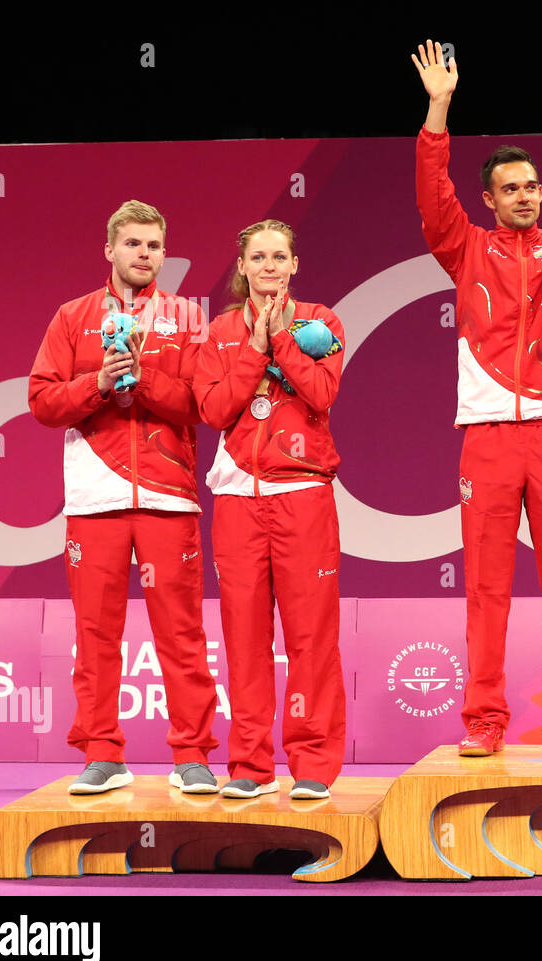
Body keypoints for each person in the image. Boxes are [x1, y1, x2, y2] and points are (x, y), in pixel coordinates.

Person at [411, 33, 542, 757]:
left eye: (533, 186)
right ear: (490, 198)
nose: (526, 196)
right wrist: (439, 109)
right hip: (489, 432)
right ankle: (484, 723)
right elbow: (431, 194)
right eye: (511, 188)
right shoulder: (464, 247)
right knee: (486, 587)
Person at [29, 200, 218, 795]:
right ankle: (102, 754)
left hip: (169, 497)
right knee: (95, 634)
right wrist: (100, 383)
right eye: (133, 244)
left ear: (164, 253)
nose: (144, 254)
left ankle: (192, 755)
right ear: (109, 249)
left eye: (154, 245)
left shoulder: (188, 318)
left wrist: (147, 379)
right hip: (94, 499)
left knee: (182, 635)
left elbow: (203, 406)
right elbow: (41, 401)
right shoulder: (71, 317)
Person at [193, 219, 347, 799]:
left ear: (294, 263)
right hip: (237, 499)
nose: (269, 267)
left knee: (311, 636)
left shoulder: (321, 323)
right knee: (244, 637)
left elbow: (321, 393)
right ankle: (250, 766)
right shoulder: (221, 331)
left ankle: (312, 764)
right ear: (243, 267)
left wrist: (282, 338)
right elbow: (214, 409)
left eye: (279, 256)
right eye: (258, 257)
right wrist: (256, 346)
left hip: (303, 494)